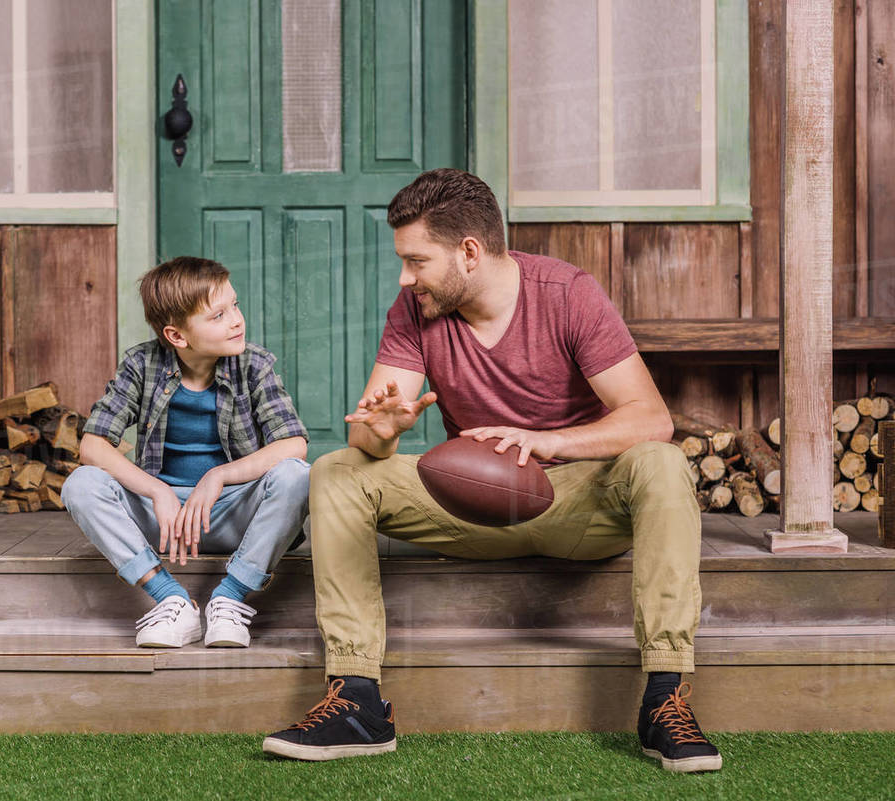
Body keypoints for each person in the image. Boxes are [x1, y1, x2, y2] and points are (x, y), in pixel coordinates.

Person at [262, 169, 720, 773]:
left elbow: (652, 419)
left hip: (576, 504)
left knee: (660, 462)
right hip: (471, 505)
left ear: (469, 253)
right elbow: (366, 432)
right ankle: (357, 699)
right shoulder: (417, 307)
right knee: (338, 470)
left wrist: (549, 442)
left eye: (416, 261)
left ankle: (666, 698)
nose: (405, 278)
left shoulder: (567, 293)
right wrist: (382, 429)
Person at [62, 257, 310, 649]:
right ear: (177, 336)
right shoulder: (141, 365)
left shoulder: (255, 365)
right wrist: (158, 492)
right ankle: (171, 599)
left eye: (235, 305)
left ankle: (229, 597)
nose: (236, 320)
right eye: (218, 315)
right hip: (165, 521)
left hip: (232, 513)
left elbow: (293, 443)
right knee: (81, 484)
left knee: (297, 474)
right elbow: (92, 445)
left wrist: (219, 476)